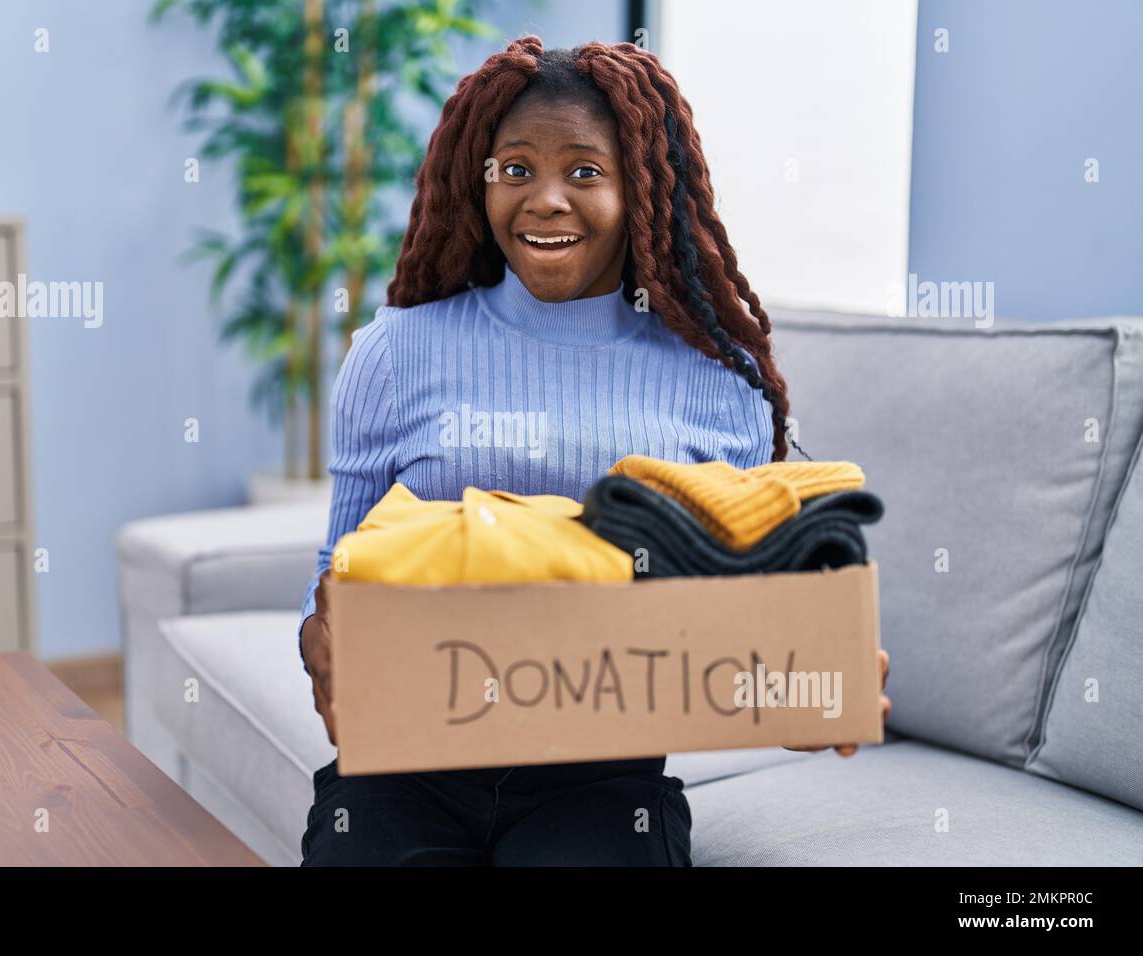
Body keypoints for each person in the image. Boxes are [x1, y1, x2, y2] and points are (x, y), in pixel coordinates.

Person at [297, 36, 891, 866]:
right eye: (515, 170)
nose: (544, 200)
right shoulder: (397, 353)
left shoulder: (720, 378)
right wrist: (318, 637)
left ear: (642, 186)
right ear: (481, 180)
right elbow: (340, 559)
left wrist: (813, 676)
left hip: (604, 787)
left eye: (584, 171)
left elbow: (767, 594)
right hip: (404, 768)